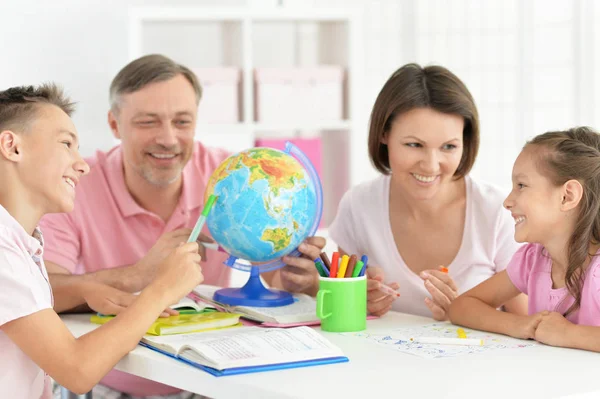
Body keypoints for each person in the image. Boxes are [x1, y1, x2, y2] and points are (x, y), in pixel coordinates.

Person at [39, 54, 324, 397]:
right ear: (114, 124)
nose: (169, 139)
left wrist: (297, 278)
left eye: (182, 122)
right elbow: (43, 292)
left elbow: (271, 275)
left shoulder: (232, 177)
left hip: (206, 383)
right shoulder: (76, 182)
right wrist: (136, 276)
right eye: (148, 122)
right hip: (107, 384)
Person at [0, 84, 204, 398]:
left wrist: (87, 290)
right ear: (12, 146)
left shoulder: (21, 243)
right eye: (66, 143)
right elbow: (77, 371)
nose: (82, 164)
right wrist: (162, 289)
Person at [328, 63, 527, 320]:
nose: (431, 165)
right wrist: (360, 301)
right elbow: (342, 304)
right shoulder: (359, 205)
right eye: (414, 144)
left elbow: (529, 325)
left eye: (448, 147)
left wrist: (467, 313)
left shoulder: (498, 210)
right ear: (384, 134)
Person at [450, 127, 600, 352]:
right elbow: (462, 307)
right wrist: (521, 324)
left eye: (521, 185)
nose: (507, 201)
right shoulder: (532, 260)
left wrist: (570, 333)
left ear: (567, 196)